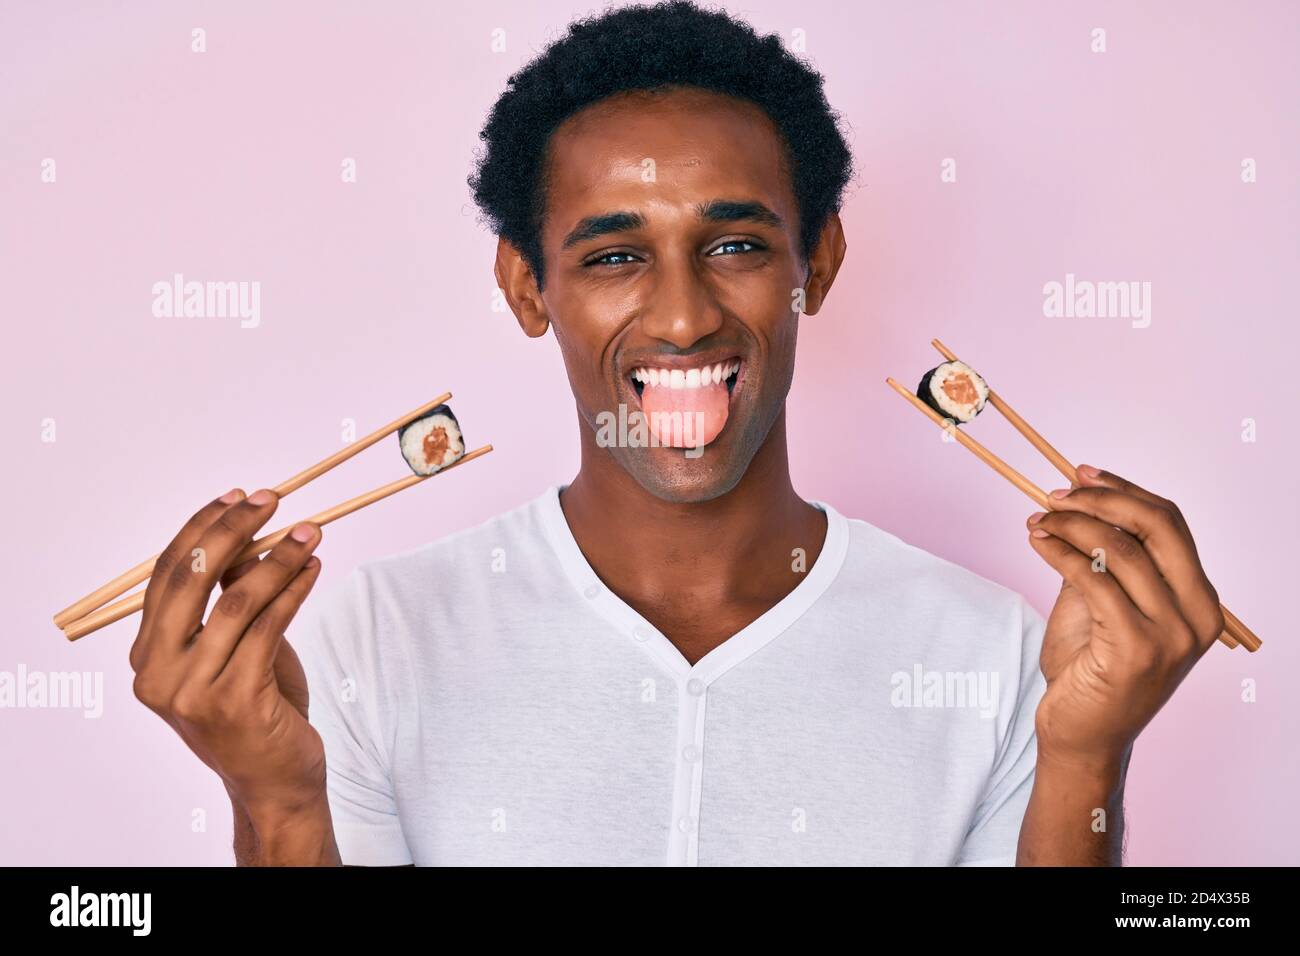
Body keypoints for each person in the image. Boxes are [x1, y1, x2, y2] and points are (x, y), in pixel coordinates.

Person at [129, 1, 1228, 866]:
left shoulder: (987, 655)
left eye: (737, 245)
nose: (684, 315)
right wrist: (272, 799)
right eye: (613, 255)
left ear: (819, 265)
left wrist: (1086, 757)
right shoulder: (366, 643)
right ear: (527, 286)